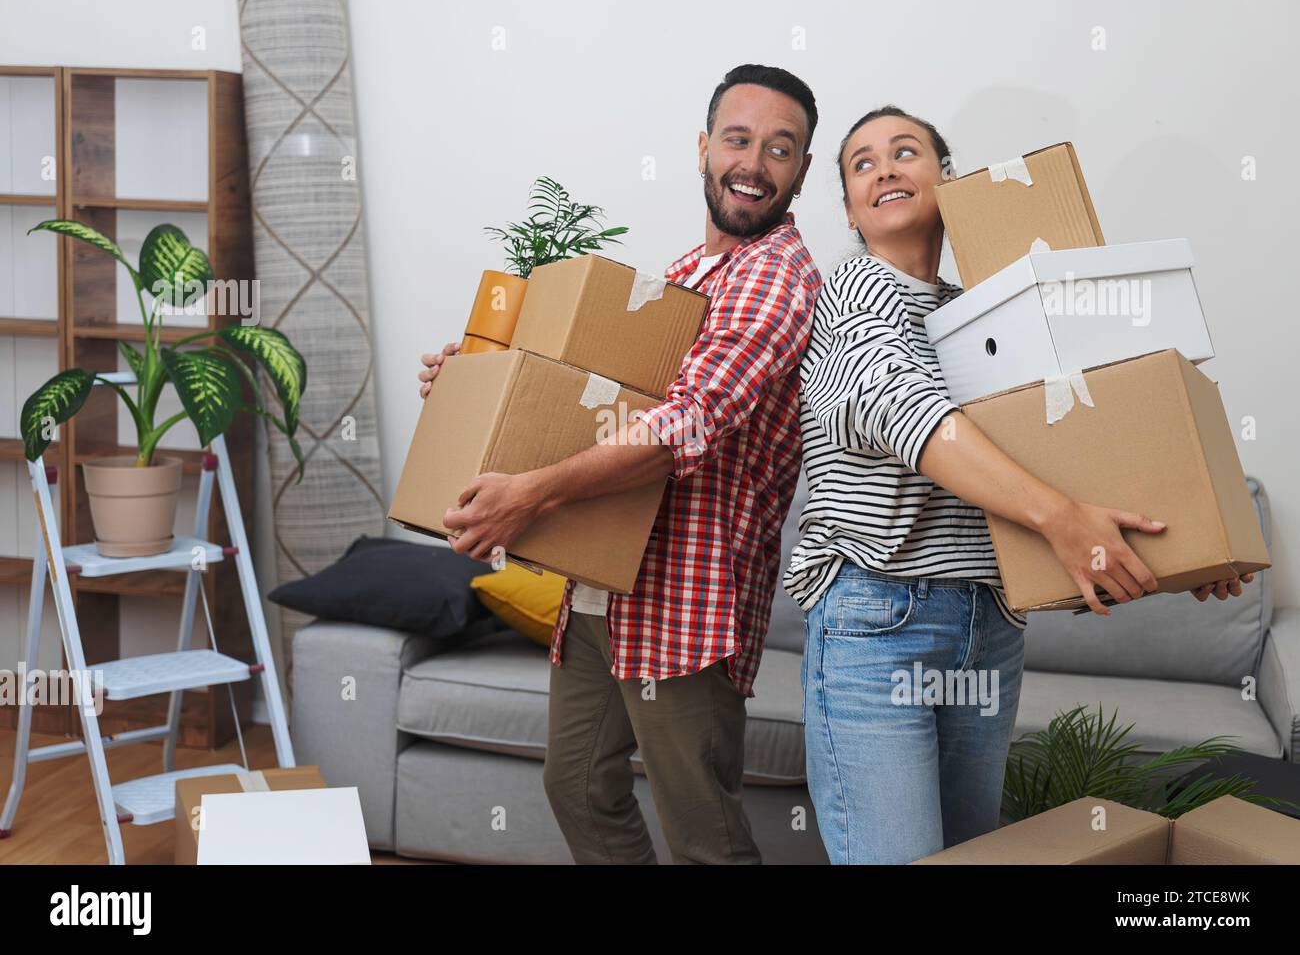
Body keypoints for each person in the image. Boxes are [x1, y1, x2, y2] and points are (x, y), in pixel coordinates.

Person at [784, 105, 1255, 865]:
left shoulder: (978, 316)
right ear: (849, 210)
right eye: (862, 164)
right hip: (881, 622)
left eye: (906, 152)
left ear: (948, 178)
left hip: (989, 627)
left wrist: (1187, 550)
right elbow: (908, 413)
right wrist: (1063, 519)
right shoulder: (851, 295)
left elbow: (1067, 449)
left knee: (969, 858)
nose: (886, 169)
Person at [417, 64, 823, 863]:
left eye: (779, 150)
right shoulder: (686, 273)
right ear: (703, 148)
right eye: (737, 140)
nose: (753, 164)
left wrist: (531, 494)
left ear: (802, 171)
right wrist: (478, 382)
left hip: (687, 603)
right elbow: (593, 401)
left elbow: (682, 423)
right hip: (604, 584)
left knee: (704, 837)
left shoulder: (778, 278)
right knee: (577, 787)